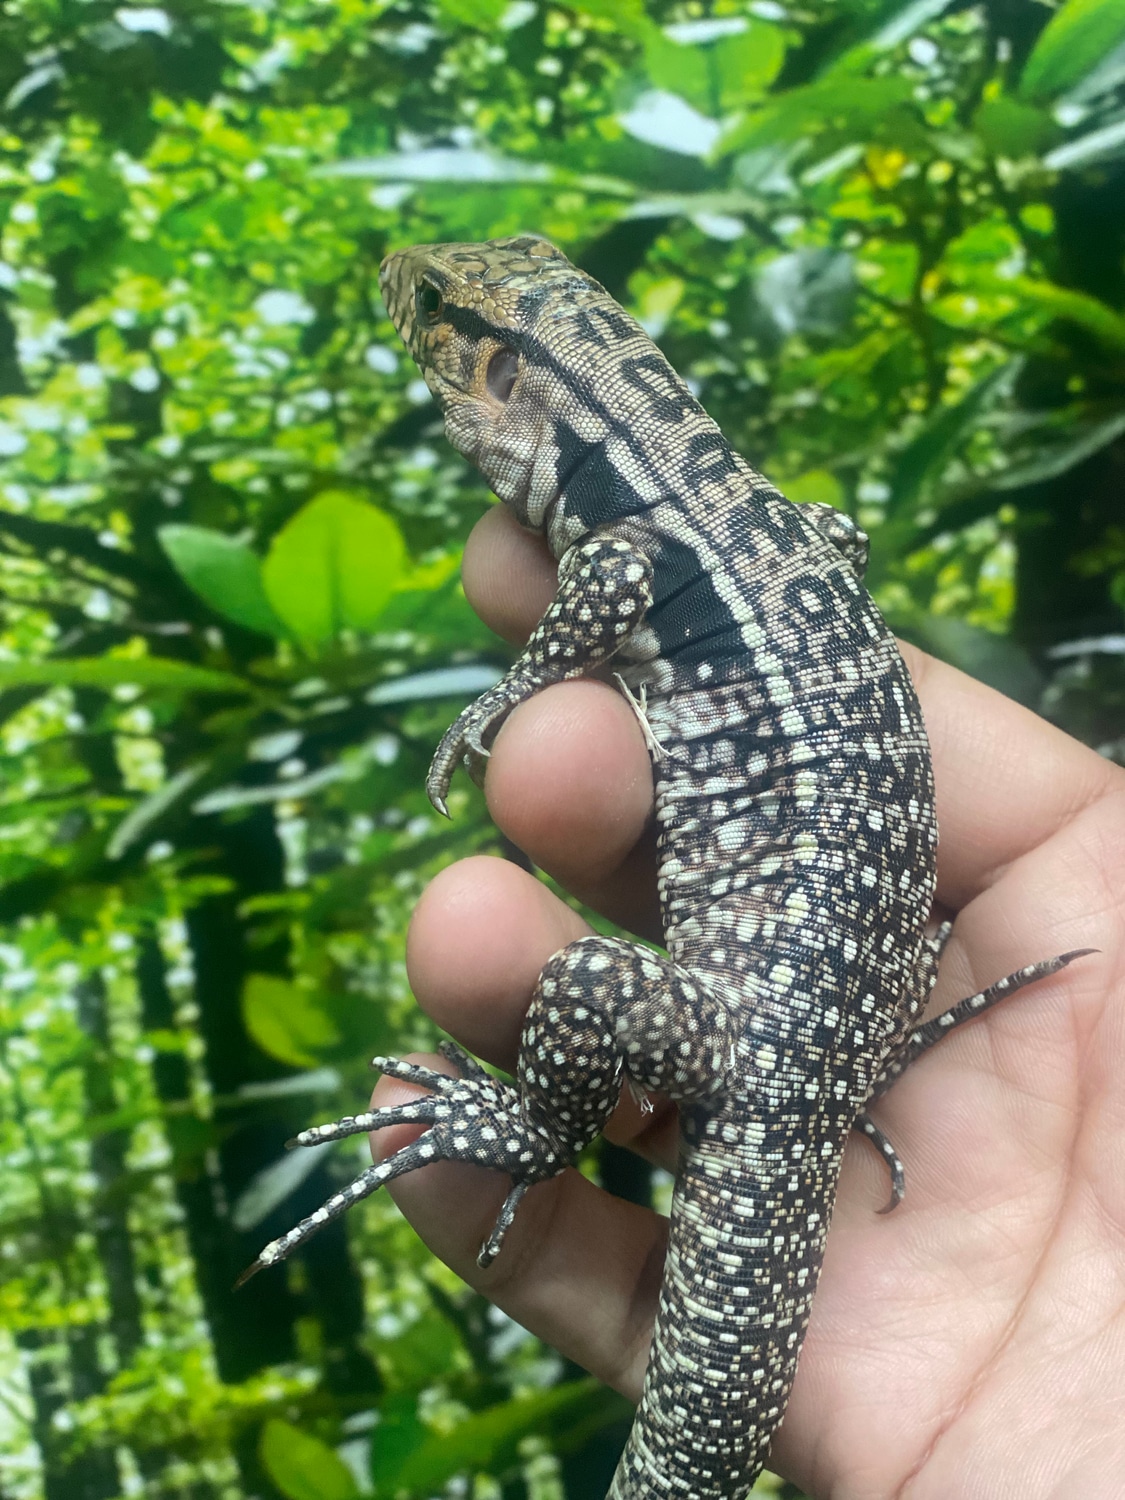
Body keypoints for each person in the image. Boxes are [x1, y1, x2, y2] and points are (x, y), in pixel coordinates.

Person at [371, 504, 1125, 1498]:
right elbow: (845, 539)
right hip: (813, 1031)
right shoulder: (770, 522)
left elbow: (630, 579)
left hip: (778, 1040)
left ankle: (539, 1135)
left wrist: (529, 678)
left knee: (588, 973)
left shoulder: (638, 540)